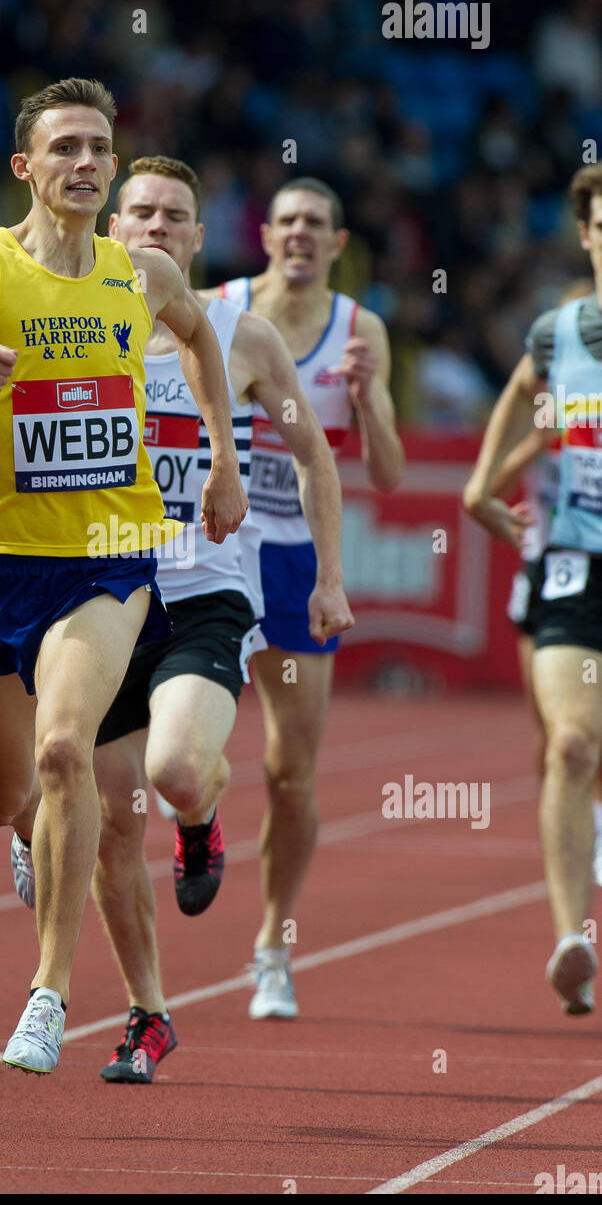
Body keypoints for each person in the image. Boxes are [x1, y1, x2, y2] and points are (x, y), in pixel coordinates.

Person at [0, 78, 247, 1073]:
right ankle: (26, 833)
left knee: (69, 751)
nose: (84, 162)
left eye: (99, 148)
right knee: (2, 795)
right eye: (64, 147)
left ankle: (48, 994)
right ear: (25, 165)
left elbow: (200, 337)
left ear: (112, 166)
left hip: (110, 558)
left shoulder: (140, 273)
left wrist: (223, 458)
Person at [81, 156, 352, 1081]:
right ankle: (145, 1016)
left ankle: (200, 821)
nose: (156, 228)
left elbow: (314, 456)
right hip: (96, 595)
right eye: (142, 212)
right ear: (115, 228)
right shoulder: (70, 330)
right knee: (112, 824)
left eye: (176, 217)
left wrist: (328, 578)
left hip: (204, 592)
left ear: (200, 239)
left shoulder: (243, 335)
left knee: (178, 773)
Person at [204, 179, 404, 1017]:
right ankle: (194, 818)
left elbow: (388, 474)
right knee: (169, 744)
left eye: (315, 223)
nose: (298, 234)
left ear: (338, 239)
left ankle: (272, 944)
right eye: (286, 220)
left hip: (293, 561)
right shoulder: (215, 307)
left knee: (290, 774)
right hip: (213, 545)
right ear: (264, 231)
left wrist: (368, 399)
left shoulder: (360, 331)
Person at [464, 165, 602, 1014]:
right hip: (574, 566)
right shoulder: (561, 334)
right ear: (588, 234)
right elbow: (526, 401)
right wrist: (480, 488)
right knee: (570, 745)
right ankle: (571, 937)